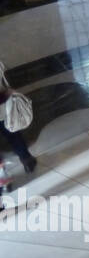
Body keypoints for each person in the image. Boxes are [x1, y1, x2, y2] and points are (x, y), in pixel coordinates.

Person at [0, 61, 38, 197]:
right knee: (13, 134)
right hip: (4, 110)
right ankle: (27, 160)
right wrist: (7, 94)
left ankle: (2, 178)